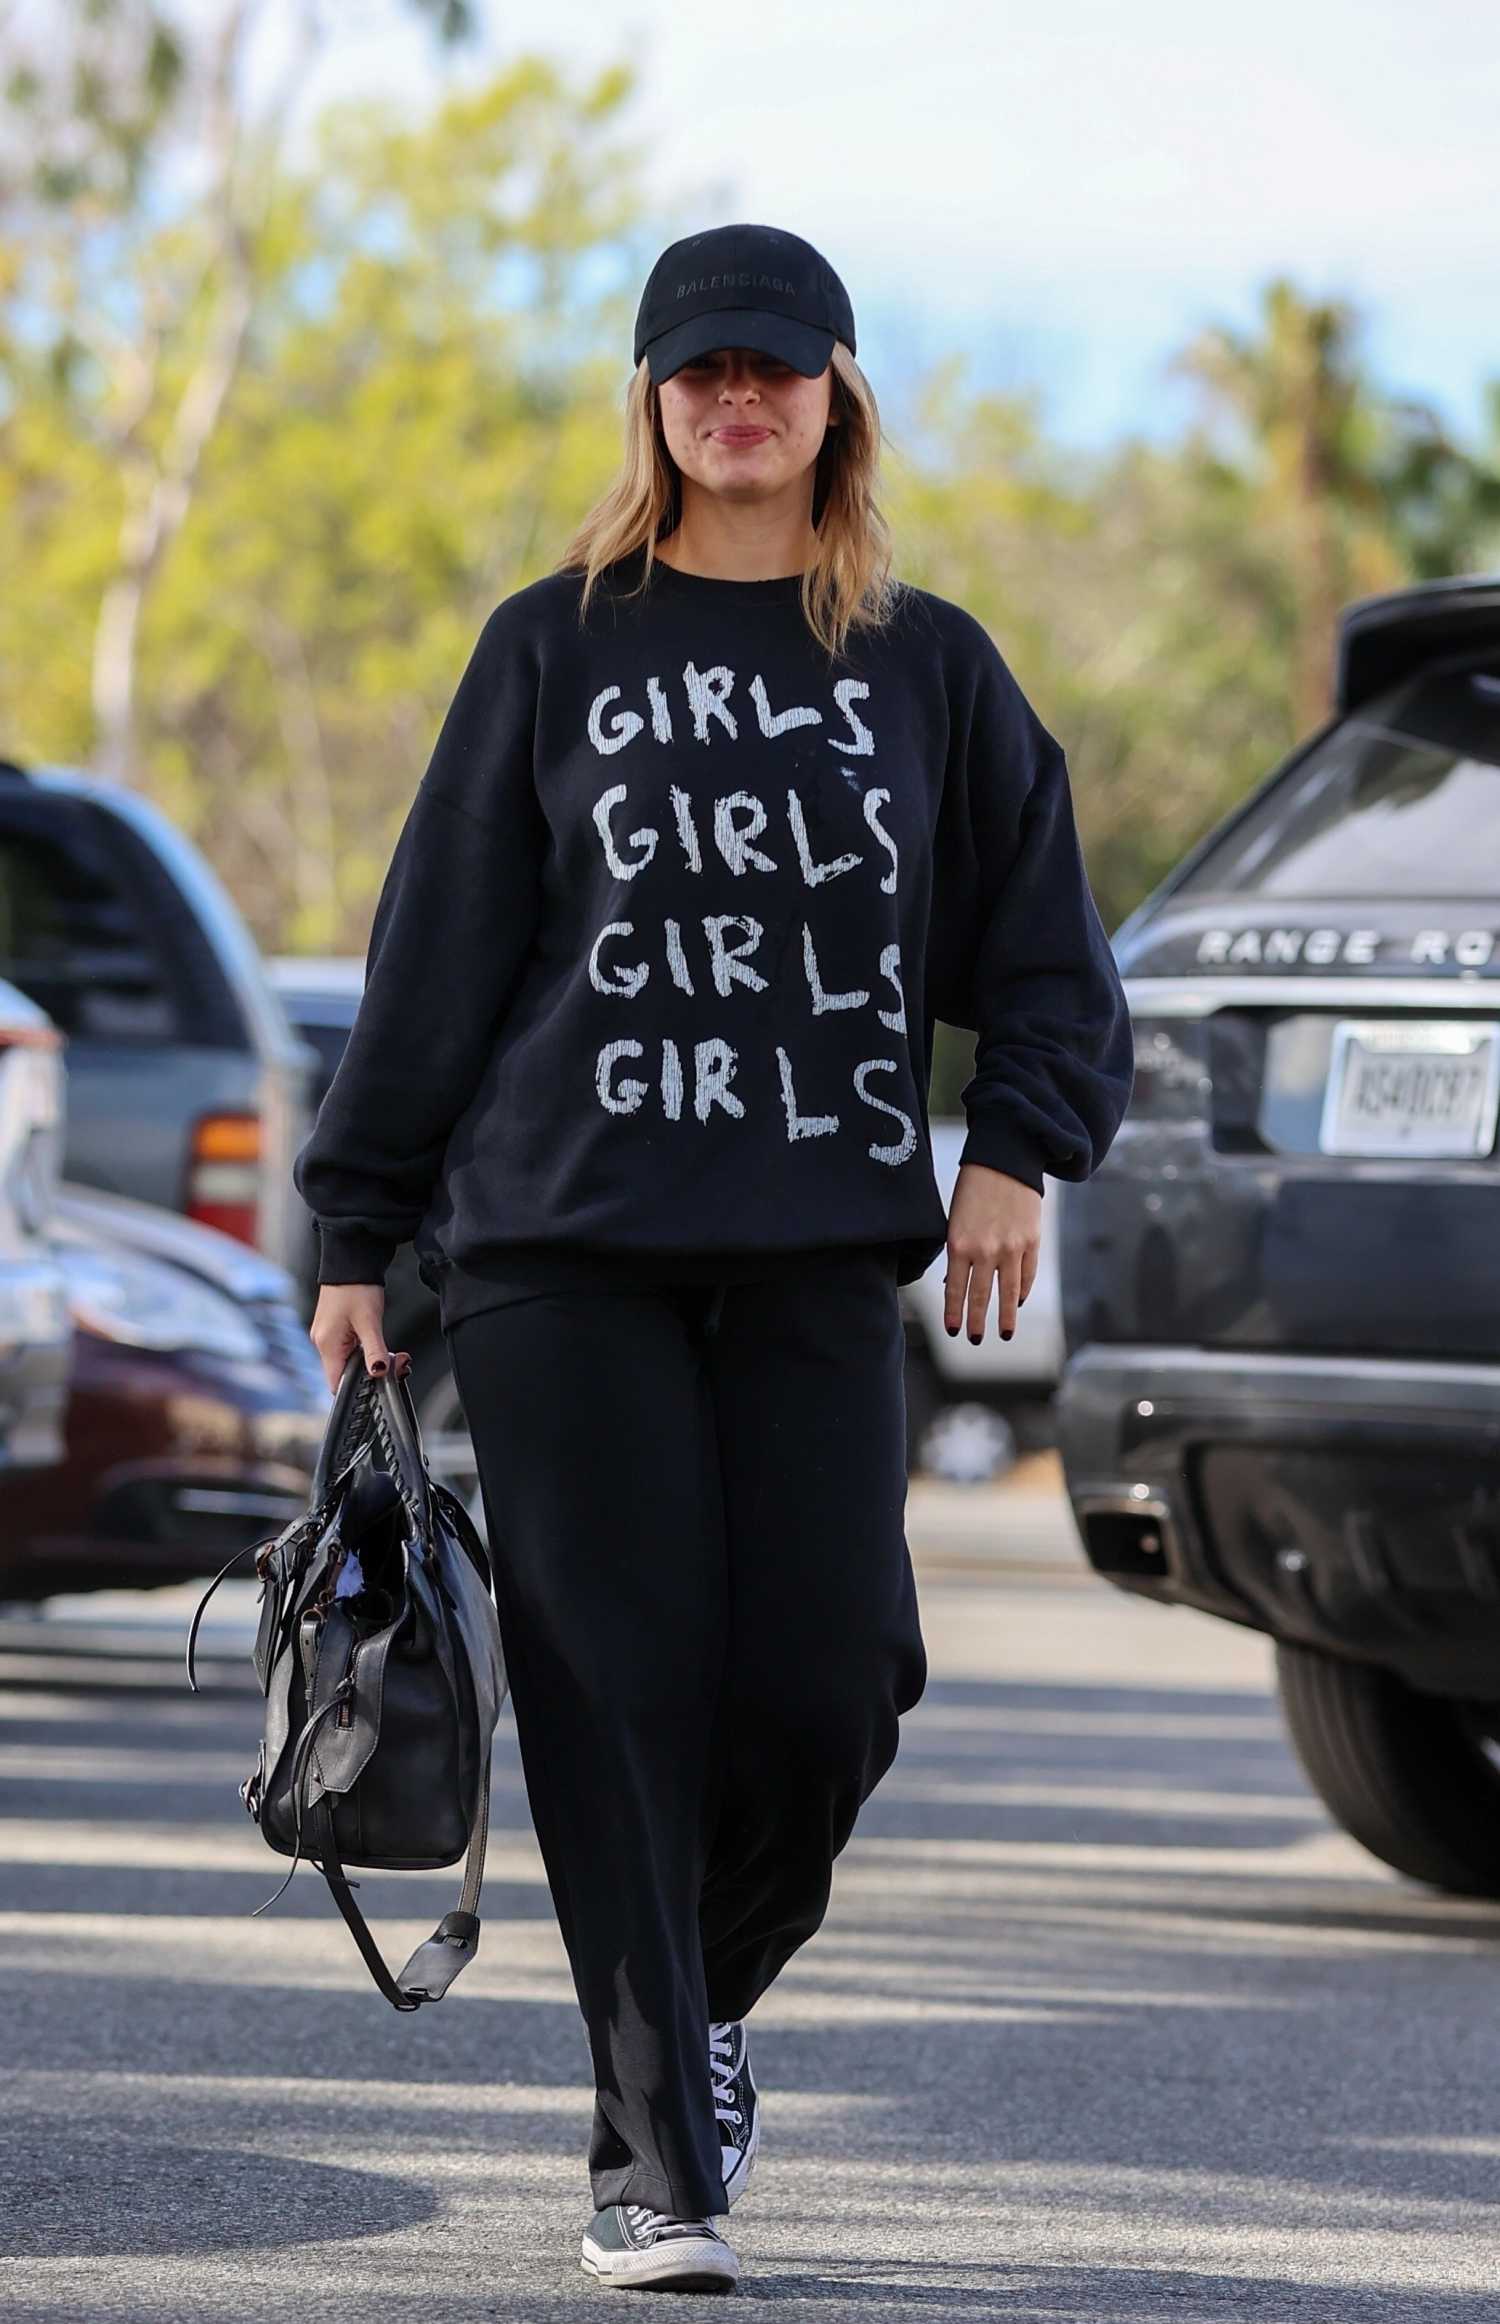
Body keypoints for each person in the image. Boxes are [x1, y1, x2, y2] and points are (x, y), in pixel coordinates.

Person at [293, 219, 1135, 2293]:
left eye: (774, 366)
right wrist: (357, 1227)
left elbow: (1043, 940)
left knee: (833, 1677)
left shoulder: (925, 665)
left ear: (838, 392)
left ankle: (710, 1992)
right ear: (653, 405)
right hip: (563, 1253)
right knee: (616, 1682)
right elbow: (438, 957)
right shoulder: (554, 644)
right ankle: (649, 2148)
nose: (735, 399)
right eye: (699, 371)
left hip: (817, 1250)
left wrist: (1019, 1148)